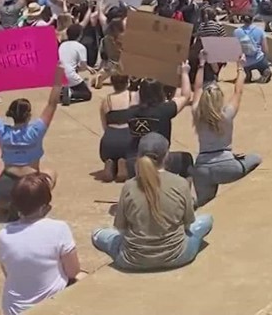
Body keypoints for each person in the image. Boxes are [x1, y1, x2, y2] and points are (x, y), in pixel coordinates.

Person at [92, 133, 214, 271]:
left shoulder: (129, 186)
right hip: (179, 255)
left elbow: (121, 228)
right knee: (206, 220)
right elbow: (188, 223)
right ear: (167, 155)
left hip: (132, 260)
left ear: (139, 156)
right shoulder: (180, 183)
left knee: (98, 234)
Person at [0, 57, 62, 219]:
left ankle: (9, 206)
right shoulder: (35, 131)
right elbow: (52, 103)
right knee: (51, 173)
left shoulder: (1, 131)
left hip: (3, 189)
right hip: (29, 186)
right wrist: (58, 75)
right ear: (29, 115)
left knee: (4, 202)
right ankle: (30, 206)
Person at [0, 173, 84, 315]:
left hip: (14, 309)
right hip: (48, 307)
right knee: (83, 278)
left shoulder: (4, 235)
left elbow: (8, 272)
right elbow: (73, 271)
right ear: (44, 206)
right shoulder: (59, 228)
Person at [190, 56, 262, 206]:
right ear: (220, 98)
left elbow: (196, 88)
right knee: (256, 158)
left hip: (202, 168)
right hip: (227, 166)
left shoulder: (197, 113)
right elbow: (238, 91)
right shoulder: (227, 114)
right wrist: (240, 66)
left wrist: (202, 65)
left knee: (203, 203)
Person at [98, 75, 135, 183]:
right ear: (127, 82)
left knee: (110, 151)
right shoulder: (132, 96)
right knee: (133, 152)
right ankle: (123, 162)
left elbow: (104, 125)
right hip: (127, 137)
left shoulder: (106, 101)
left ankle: (110, 162)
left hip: (109, 139)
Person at [58, 25, 93, 105]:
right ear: (80, 35)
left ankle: (64, 91)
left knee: (73, 78)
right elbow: (83, 67)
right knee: (87, 94)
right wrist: (82, 68)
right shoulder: (80, 47)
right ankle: (71, 93)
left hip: (58, 74)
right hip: (69, 74)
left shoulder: (62, 45)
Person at [234, 15, 272, 83]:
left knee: (243, 62)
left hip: (245, 61)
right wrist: (266, 59)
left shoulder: (237, 32)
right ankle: (265, 71)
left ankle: (247, 73)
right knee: (264, 66)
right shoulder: (260, 30)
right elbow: (265, 48)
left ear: (242, 20)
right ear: (252, 19)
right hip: (258, 58)